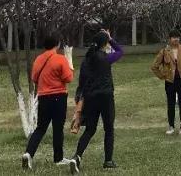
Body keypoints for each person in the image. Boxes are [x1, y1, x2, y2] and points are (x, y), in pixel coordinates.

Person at [68, 29, 124, 173]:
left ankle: (77, 156)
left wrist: (79, 97)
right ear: (105, 43)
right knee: (108, 128)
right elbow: (120, 51)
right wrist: (110, 38)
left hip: (90, 97)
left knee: (90, 129)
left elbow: (82, 81)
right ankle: (108, 161)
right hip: (106, 96)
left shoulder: (87, 60)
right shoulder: (106, 58)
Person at [22, 35, 75, 171]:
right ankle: (58, 158)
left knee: (40, 128)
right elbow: (69, 78)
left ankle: (28, 153)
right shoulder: (60, 59)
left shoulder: (38, 59)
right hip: (58, 97)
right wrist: (70, 68)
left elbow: (34, 78)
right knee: (58, 128)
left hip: (43, 98)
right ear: (57, 44)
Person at [151, 30, 181, 135]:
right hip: (170, 81)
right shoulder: (164, 51)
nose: (176, 39)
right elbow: (154, 66)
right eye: (173, 37)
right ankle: (171, 126)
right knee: (170, 103)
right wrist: (162, 76)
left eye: (177, 37)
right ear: (169, 39)